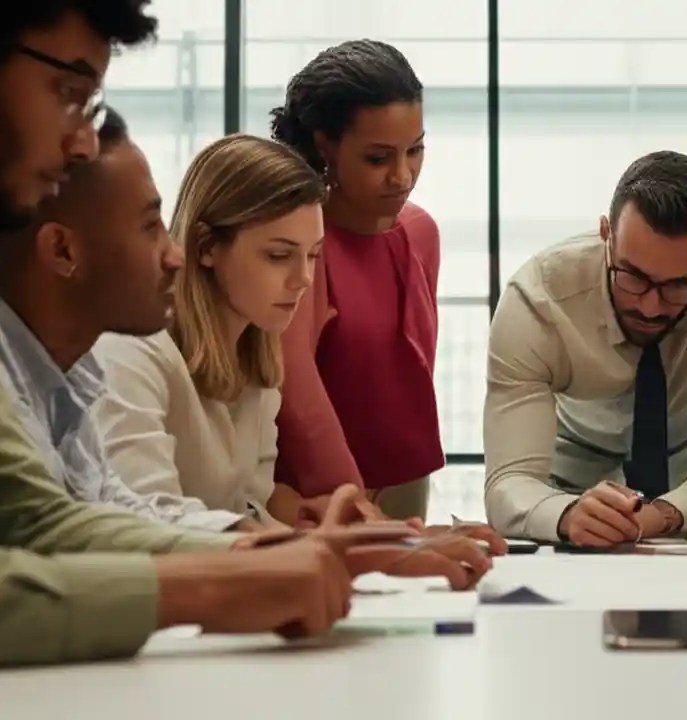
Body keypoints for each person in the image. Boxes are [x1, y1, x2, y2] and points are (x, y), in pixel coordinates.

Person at [0, 1, 415, 681]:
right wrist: (206, 587)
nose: (81, 143)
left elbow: (31, 519)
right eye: (69, 93)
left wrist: (265, 561)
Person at [90, 133, 491, 588]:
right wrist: (358, 552)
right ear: (206, 247)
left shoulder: (257, 359)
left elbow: (247, 505)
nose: (303, 280)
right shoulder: (131, 351)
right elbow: (146, 518)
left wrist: (380, 537)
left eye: (314, 256)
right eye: (279, 256)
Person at [484, 150, 687, 546]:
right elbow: (509, 482)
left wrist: (667, 513)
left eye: (680, 284)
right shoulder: (538, 299)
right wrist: (565, 514)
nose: (651, 306)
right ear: (606, 234)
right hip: (570, 485)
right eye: (633, 276)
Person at [0, 106, 256, 532]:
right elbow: (64, 542)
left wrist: (250, 539)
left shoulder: (66, 373)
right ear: (62, 251)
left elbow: (113, 505)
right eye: (150, 227)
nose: (175, 256)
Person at [270, 39, 441, 521]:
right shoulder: (300, 241)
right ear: (324, 145)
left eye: (415, 150)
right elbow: (295, 392)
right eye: (378, 158)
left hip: (407, 480)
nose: (402, 176)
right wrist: (355, 506)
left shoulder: (422, 233)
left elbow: (413, 372)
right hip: (310, 493)